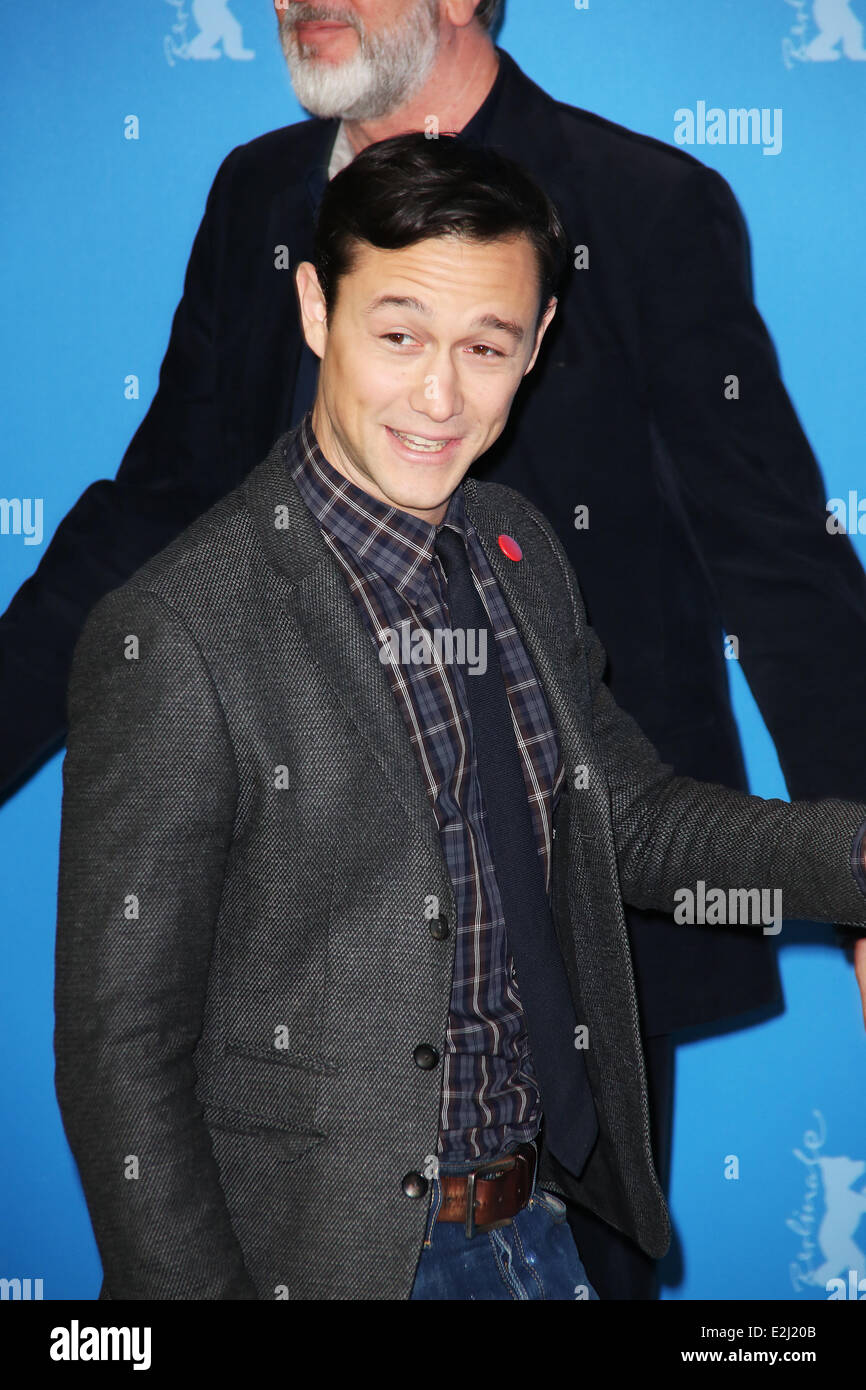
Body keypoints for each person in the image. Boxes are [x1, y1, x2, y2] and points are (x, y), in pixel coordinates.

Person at [8, 0, 866, 1296]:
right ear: (318, 307)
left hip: (571, 975)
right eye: (397, 333)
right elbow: (159, 497)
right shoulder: (256, 193)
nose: (437, 393)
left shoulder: (641, 202)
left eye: (482, 345)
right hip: (304, 990)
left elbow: (774, 564)